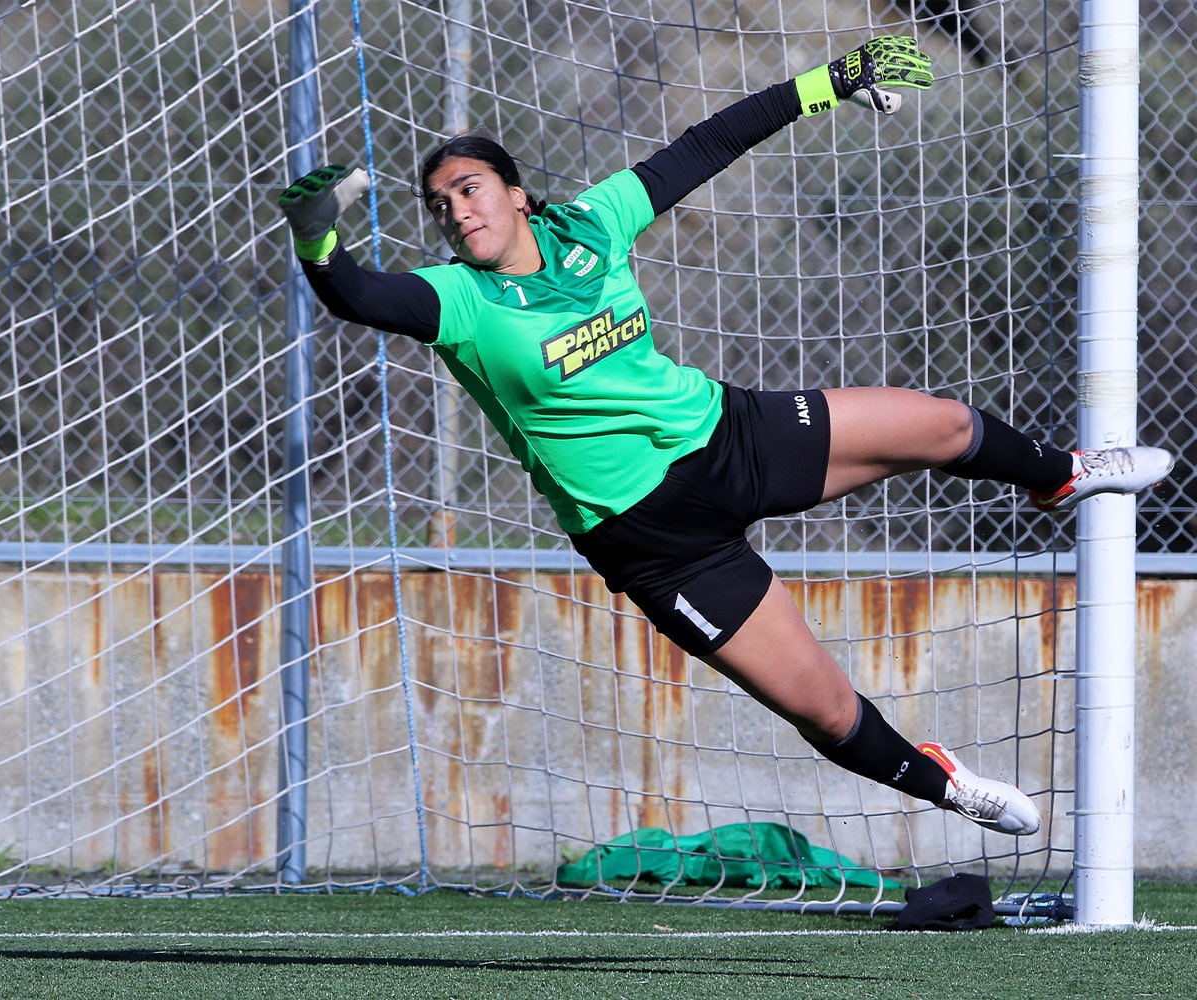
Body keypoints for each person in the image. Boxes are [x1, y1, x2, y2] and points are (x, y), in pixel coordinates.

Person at [278, 35, 1174, 837]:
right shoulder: (457, 302)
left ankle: (1061, 474)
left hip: (727, 434)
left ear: (514, 193)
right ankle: (943, 785)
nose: (456, 212)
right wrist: (319, 242)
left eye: (469, 190)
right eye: (439, 204)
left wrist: (831, 81)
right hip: (654, 537)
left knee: (942, 424)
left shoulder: (592, 223)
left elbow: (707, 144)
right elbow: (358, 296)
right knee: (825, 710)